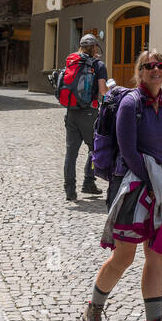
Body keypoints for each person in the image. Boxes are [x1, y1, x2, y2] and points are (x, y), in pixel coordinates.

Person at [82, 48, 162, 321]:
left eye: (160, 65)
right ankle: (93, 309)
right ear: (139, 72)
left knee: (156, 254)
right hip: (129, 186)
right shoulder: (130, 104)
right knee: (124, 256)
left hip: (156, 187)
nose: (156, 70)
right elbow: (128, 150)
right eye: (149, 66)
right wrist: (150, 179)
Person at [64, 34, 108, 201]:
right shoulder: (98, 65)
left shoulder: (72, 62)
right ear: (95, 47)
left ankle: (69, 190)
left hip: (71, 112)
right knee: (95, 148)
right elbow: (103, 91)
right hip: (89, 113)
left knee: (70, 153)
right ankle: (89, 182)